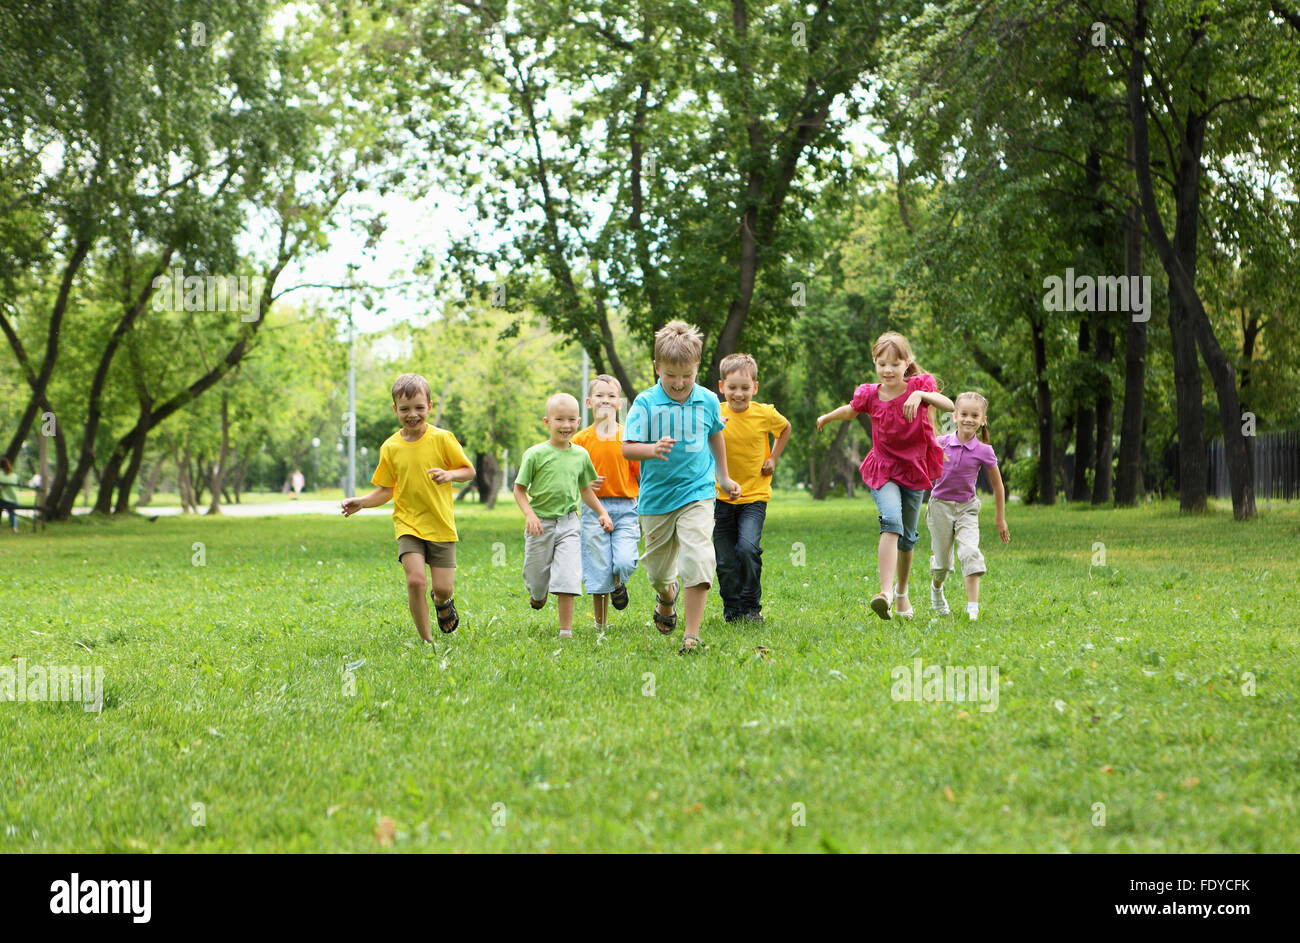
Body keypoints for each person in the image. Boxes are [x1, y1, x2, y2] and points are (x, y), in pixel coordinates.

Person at [816, 331, 953, 621]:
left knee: (908, 538)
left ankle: (902, 593)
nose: (888, 369)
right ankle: (885, 593)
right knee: (891, 519)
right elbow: (851, 411)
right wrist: (827, 417)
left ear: (907, 363)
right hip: (884, 468)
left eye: (894, 363)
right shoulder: (869, 393)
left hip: (914, 469)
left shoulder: (920, 386)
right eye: (882, 363)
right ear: (875, 364)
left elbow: (949, 405)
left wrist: (919, 394)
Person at [623, 321, 741, 652]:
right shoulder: (645, 404)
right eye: (671, 375)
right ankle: (666, 595)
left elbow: (715, 433)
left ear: (697, 369)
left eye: (687, 375)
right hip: (657, 500)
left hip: (698, 493)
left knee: (699, 557)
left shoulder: (706, 400)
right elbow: (627, 448)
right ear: (657, 367)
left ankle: (691, 635)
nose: (679, 383)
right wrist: (651, 450)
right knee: (659, 574)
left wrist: (724, 477)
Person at [341, 374, 475, 641]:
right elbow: (386, 490)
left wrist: (450, 475)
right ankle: (426, 640)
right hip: (408, 524)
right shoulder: (390, 447)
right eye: (405, 409)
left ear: (430, 406)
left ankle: (442, 602)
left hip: (440, 523)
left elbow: (468, 470)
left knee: (443, 588)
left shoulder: (442, 439)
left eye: (418, 407)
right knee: (415, 581)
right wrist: (362, 503)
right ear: (395, 410)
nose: (412, 414)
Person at [514, 393, 614, 639]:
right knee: (536, 579)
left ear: (578, 421)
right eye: (559, 419)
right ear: (547, 421)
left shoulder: (580, 455)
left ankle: (565, 631)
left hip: (570, 523)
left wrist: (602, 512)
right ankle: (539, 594)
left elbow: (585, 489)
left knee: (568, 576)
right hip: (540, 524)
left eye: (571, 420)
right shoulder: (535, 454)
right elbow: (519, 489)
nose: (566, 425)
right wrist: (529, 514)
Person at [713, 353, 791, 624]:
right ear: (722, 386)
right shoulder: (715, 413)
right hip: (719, 497)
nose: (738, 394)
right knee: (724, 560)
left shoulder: (764, 414)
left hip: (754, 496)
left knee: (746, 549)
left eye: (745, 388)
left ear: (754, 388)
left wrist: (772, 458)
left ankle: (751, 607)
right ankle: (732, 610)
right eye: (732, 388)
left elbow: (785, 428)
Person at [927, 392, 1010, 621]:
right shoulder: (941, 443)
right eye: (964, 414)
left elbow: (998, 486)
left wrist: (1000, 519)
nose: (968, 419)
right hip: (940, 507)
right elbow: (921, 459)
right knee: (942, 564)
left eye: (975, 415)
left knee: (970, 552)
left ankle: (972, 608)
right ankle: (936, 590)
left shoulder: (985, 451)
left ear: (983, 420)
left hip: (967, 508)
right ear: (954, 416)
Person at [572, 375, 641, 634]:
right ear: (589, 402)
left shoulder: (629, 438)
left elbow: (641, 474)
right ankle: (600, 626)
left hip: (625, 509)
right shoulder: (579, 441)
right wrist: (584, 486)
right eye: (600, 395)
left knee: (623, 562)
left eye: (611, 396)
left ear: (620, 403)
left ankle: (618, 581)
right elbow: (571, 479)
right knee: (597, 567)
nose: (605, 400)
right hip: (593, 509)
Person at [0, 457, 20, 533]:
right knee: (12, 511)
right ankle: (14, 527)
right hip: (14, 500)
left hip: (3, 501)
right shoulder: (14, 475)